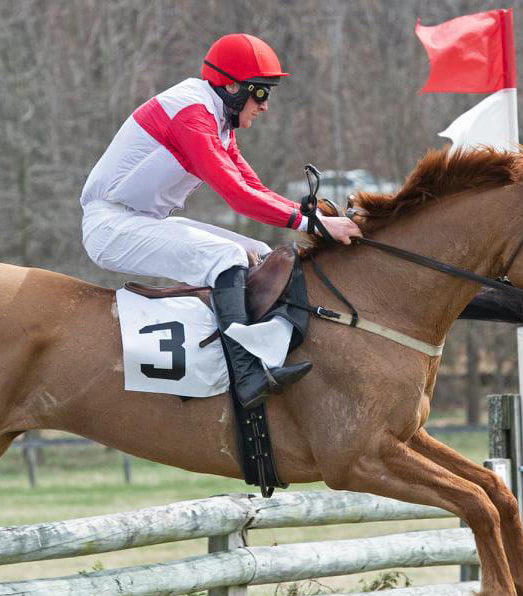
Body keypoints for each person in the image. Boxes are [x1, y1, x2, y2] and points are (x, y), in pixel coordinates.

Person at [80, 32, 362, 408]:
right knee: (225, 257)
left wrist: (316, 216)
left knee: (261, 253)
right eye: (260, 92)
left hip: (143, 220)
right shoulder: (191, 114)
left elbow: (251, 185)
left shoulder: (217, 118)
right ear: (231, 87)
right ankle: (246, 375)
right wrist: (311, 225)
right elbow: (237, 195)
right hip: (110, 227)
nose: (265, 105)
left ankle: (271, 351)